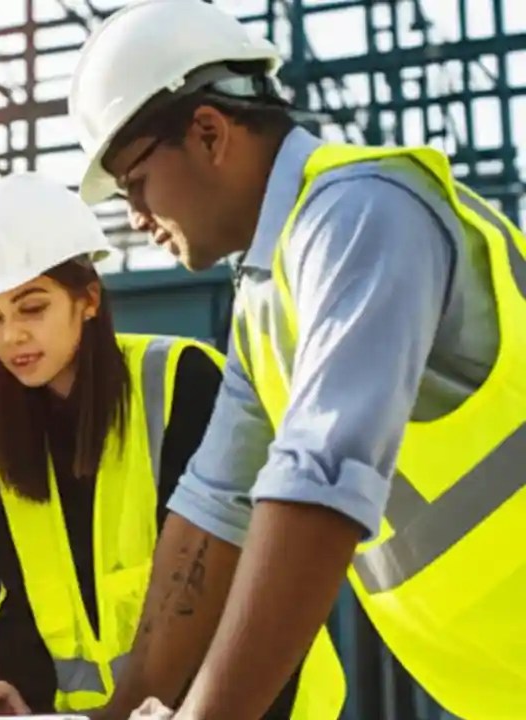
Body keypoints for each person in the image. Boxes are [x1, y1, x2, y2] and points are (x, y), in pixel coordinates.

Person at [66, 2, 526, 719]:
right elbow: (213, 507)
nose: (134, 215)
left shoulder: (363, 213)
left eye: (133, 182)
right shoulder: (265, 296)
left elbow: (319, 477)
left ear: (210, 133)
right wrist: (127, 706)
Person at [0, 173, 345, 720]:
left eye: (31, 307)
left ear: (87, 300)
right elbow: (27, 602)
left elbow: (238, 579)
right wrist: (17, 691)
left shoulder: (179, 380)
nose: (10, 335)